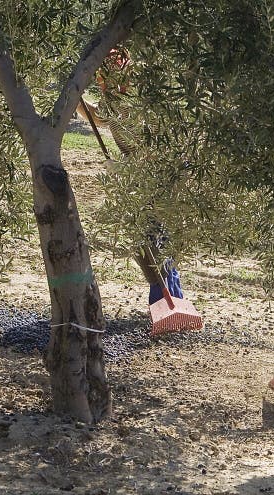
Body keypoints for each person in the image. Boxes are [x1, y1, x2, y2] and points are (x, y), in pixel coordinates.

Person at [76, 47, 184, 306]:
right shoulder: (112, 98)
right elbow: (100, 118)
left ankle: (167, 299)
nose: (104, 82)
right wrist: (76, 99)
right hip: (137, 177)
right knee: (145, 237)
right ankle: (167, 298)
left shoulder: (143, 100)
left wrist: (126, 168)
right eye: (102, 77)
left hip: (159, 176)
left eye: (109, 75)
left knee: (152, 237)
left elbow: (158, 149)